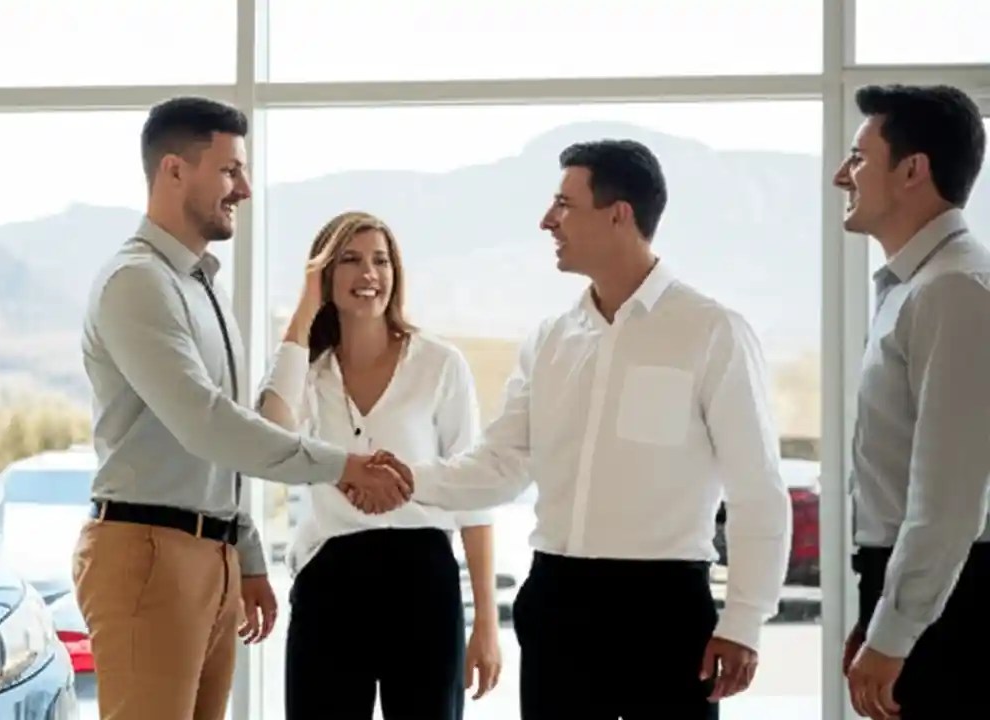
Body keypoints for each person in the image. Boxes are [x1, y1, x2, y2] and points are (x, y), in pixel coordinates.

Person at [372, 139, 792, 719]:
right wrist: (405, 481)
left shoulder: (712, 331)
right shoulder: (551, 339)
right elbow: (501, 463)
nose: (548, 221)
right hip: (556, 603)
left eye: (563, 204)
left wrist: (745, 620)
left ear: (619, 214)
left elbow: (758, 489)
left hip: (666, 613)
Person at [72, 96, 413, 720]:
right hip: (150, 554)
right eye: (231, 171)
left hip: (209, 555)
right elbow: (208, 424)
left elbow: (239, 428)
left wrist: (244, 552)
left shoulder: (202, 286)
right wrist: (344, 465)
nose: (245, 189)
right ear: (175, 170)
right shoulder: (137, 282)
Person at [256, 210, 503, 720]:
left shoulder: (439, 364)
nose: (369, 274)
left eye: (381, 260)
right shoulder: (309, 371)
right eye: (349, 260)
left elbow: (473, 494)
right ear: (325, 276)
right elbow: (270, 436)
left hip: (423, 583)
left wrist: (485, 623)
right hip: (330, 582)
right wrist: (303, 311)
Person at [833, 84, 990, 720]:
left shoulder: (955, 290)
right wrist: (879, 617)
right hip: (921, 589)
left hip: (956, 604)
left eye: (858, 157)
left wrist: (896, 632)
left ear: (912, 170)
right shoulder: (918, 286)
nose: (841, 175)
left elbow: (948, 502)